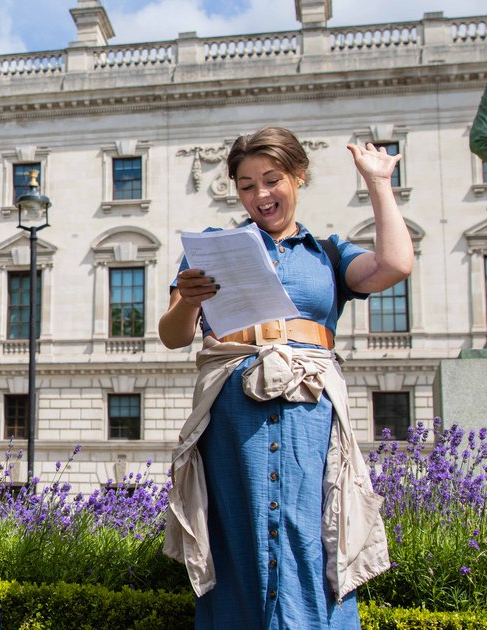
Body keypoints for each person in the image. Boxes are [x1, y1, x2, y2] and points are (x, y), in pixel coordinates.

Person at [159, 126, 411, 628]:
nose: (260, 195)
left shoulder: (328, 252)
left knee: (314, 527)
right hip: (233, 415)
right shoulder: (212, 247)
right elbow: (172, 335)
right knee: (239, 530)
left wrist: (379, 184)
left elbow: (395, 265)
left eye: (272, 180)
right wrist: (188, 299)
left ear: (298, 176)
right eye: (247, 185)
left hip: (310, 412)